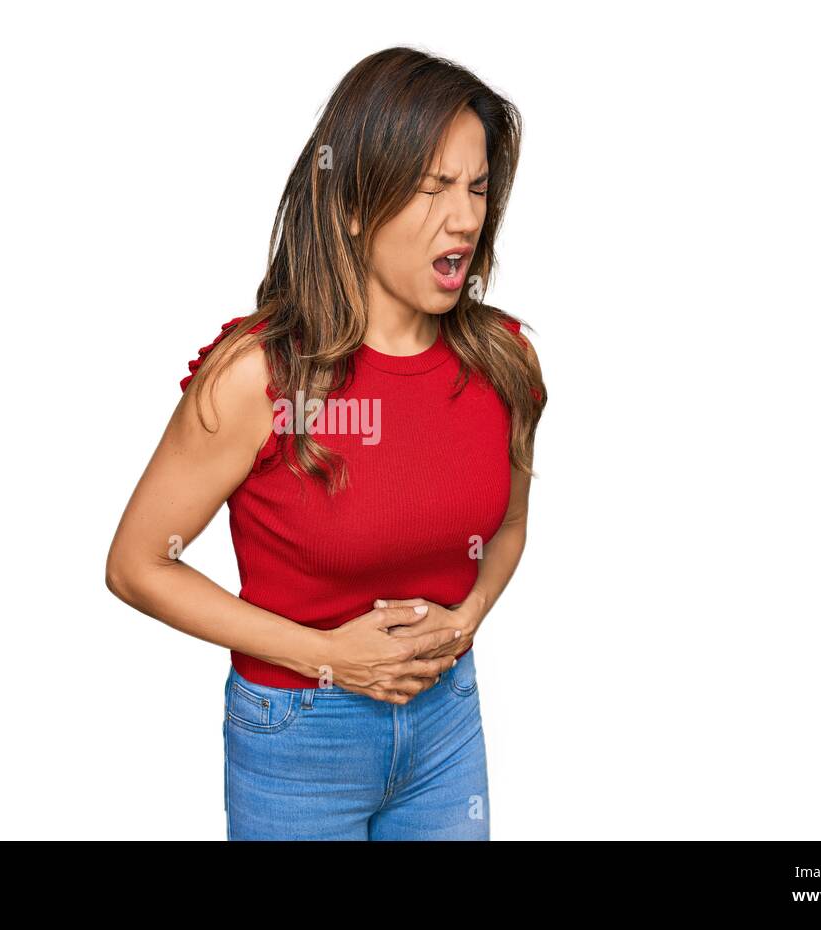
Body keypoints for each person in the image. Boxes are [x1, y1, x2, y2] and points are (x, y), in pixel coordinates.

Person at [105, 46, 546, 840]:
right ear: (350, 203)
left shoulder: (505, 361)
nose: (466, 217)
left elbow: (508, 526)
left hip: (447, 727)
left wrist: (472, 610)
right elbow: (138, 565)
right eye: (432, 187)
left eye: (478, 188)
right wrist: (328, 656)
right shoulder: (256, 376)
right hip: (300, 738)